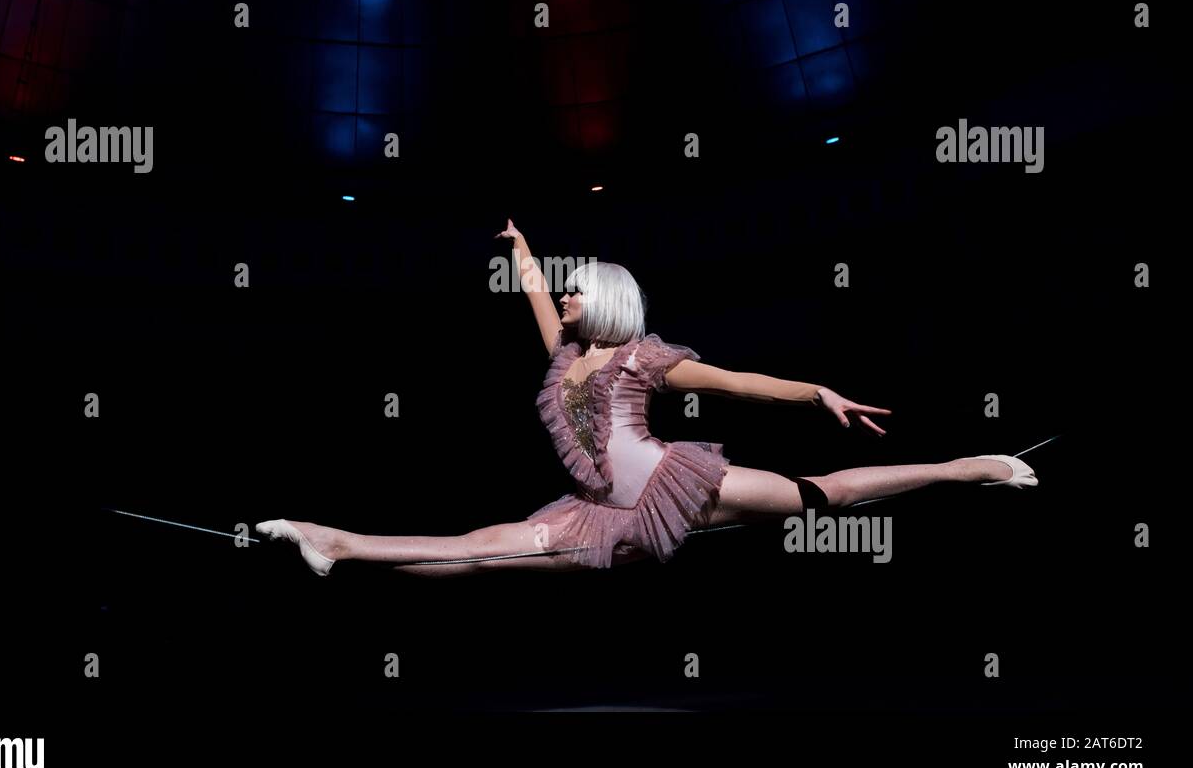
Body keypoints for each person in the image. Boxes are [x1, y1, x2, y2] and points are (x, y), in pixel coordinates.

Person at [257, 219, 1034, 577]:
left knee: (817, 494)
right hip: (595, 509)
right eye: (560, 286)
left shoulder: (642, 357)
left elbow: (738, 383)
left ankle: (972, 468)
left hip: (672, 486)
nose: (562, 293)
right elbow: (530, 294)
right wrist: (522, 249)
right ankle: (334, 542)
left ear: (603, 299)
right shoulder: (563, 361)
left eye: (573, 288)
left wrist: (815, 392)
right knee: (478, 550)